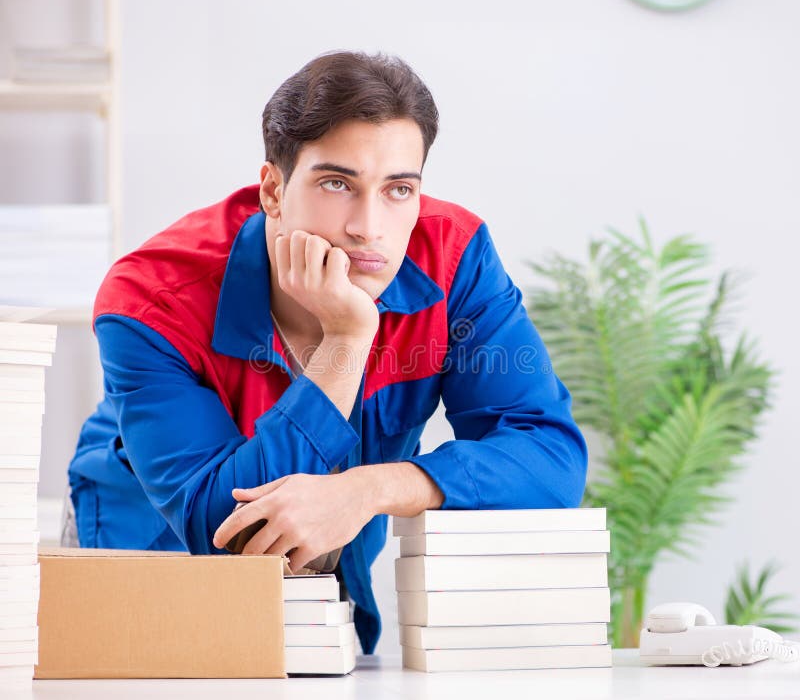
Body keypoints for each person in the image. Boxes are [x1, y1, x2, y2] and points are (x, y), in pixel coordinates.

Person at [66, 50, 588, 654]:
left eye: (398, 189)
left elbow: (550, 458)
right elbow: (223, 535)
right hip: (149, 530)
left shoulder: (454, 257)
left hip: (326, 544)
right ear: (272, 189)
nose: (369, 226)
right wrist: (346, 340)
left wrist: (366, 490)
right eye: (338, 184)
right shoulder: (149, 298)